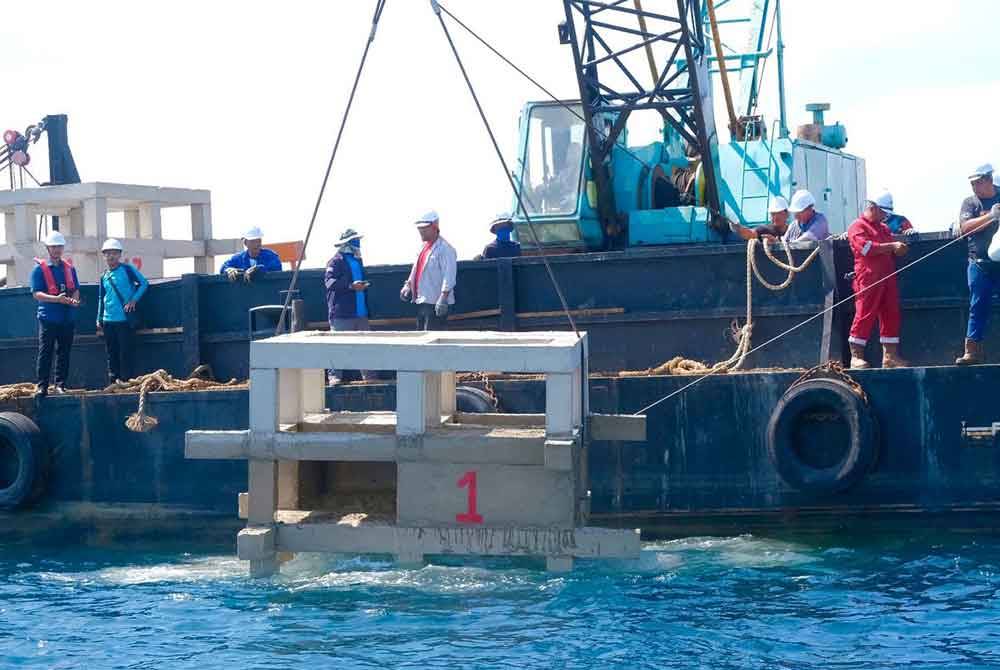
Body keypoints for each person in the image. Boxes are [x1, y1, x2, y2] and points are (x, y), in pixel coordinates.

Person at [846, 194, 909, 369]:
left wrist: (898, 249)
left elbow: (887, 247)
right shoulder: (857, 227)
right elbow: (866, 248)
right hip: (868, 277)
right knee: (865, 313)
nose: (885, 217)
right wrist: (892, 246)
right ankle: (856, 356)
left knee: (890, 313)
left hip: (887, 276)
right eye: (883, 212)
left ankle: (890, 356)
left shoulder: (883, 228)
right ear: (873, 208)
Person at [955, 163, 1000, 365]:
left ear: (989, 180)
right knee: (977, 305)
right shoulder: (970, 203)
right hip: (979, 263)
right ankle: (972, 350)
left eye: (978, 183)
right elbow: (965, 228)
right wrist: (991, 216)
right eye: (972, 184)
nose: (974, 187)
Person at [31, 231, 80, 397]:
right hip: (48, 318)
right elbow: (36, 294)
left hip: (67, 318)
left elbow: (75, 290)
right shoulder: (39, 270)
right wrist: (56, 299)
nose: (57, 249)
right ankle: (42, 386)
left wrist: (73, 300)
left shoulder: (70, 269)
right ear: (48, 249)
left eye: (59, 246)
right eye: (54, 247)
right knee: (46, 352)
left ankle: (60, 384)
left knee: (64, 352)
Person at [96, 238, 149, 384]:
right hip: (108, 320)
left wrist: (133, 300)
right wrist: (98, 318)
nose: (111, 256)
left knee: (126, 352)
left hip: (124, 320)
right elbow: (101, 297)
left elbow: (144, 283)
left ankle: (126, 381)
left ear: (119, 255)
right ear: (104, 256)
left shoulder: (127, 269)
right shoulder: (104, 276)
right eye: (107, 253)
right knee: (111, 353)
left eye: (114, 253)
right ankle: (113, 381)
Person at [324, 228, 373, 383]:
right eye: (355, 240)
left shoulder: (358, 261)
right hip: (342, 314)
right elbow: (329, 282)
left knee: (366, 348)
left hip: (361, 313)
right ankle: (334, 377)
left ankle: (370, 377)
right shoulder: (335, 261)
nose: (358, 243)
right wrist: (351, 286)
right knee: (338, 346)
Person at [400, 211, 457, 330]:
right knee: (421, 335)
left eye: (425, 228)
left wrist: (443, 298)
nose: (421, 231)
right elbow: (416, 269)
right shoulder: (423, 248)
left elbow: (449, 275)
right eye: (420, 228)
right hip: (421, 301)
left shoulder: (445, 249)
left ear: (435, 227)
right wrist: (408, 285)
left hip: (435, 303)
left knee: (433, 338)